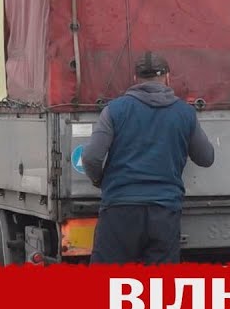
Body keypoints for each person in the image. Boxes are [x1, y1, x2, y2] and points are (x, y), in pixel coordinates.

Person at [83, 51, 215, 264]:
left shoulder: (114, 110)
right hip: (164, 212)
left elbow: (91, 157)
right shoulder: (185, 113)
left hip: (119, 211)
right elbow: (206, 158)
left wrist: (99, 180)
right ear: (168, 77)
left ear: (135, 78)